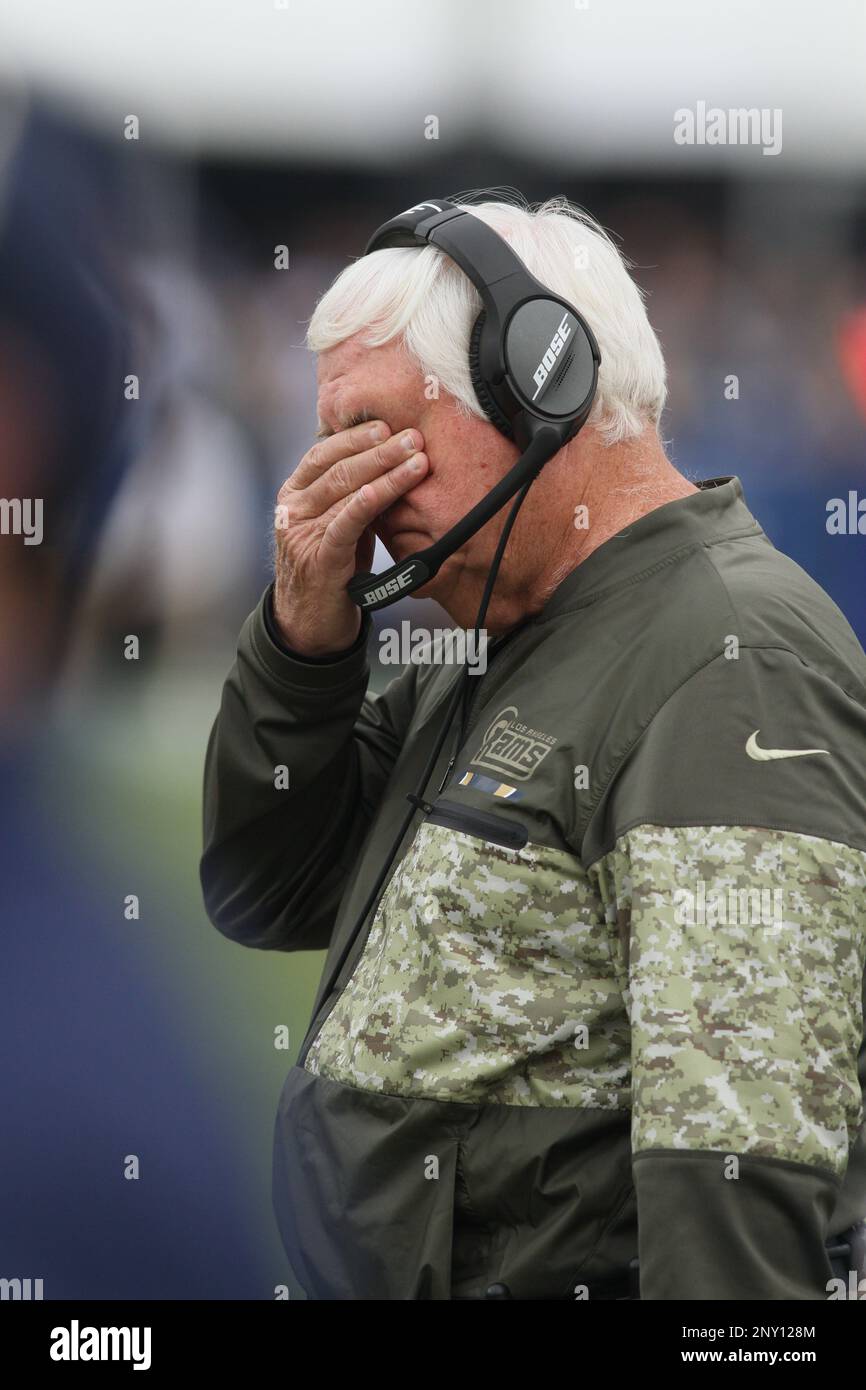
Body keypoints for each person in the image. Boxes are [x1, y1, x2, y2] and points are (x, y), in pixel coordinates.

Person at [200, 194, 866, 1300]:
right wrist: (301, 646)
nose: (338, 484)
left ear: (539, 389)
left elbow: (736, 1195)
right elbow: (264, 889)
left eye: (371, 431)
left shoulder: (725, 660)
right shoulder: (499, 632)